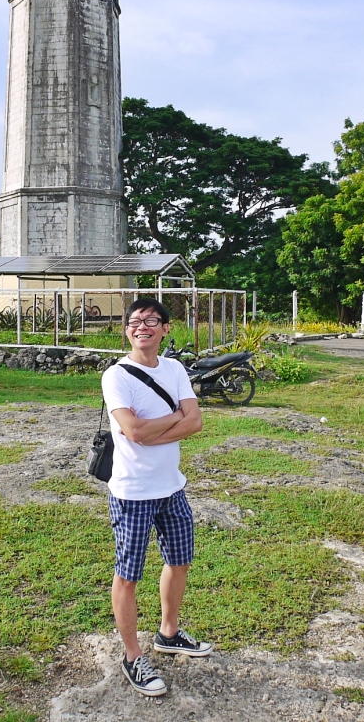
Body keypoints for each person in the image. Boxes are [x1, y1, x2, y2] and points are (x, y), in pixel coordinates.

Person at [99, 297, 213, 698]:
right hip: (133, 492)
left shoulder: (175, 369)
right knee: (128, 575)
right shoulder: (116, 376)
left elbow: (196, 422)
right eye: (134, 321)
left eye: (151, 320)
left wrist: (156, 428)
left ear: (165, 329)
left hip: (171, 487)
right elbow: (134, 432)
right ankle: (133, 656)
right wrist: (174, 418)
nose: (141, 327)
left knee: (179, 561)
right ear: (127, 330)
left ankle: (168, 632)